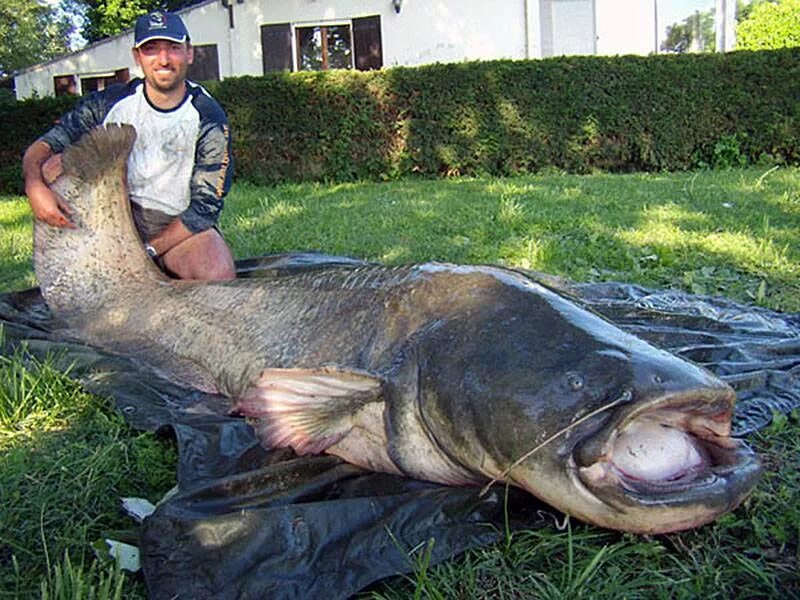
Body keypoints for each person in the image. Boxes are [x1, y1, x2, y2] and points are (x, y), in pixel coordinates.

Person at [22, 11, 236, 281]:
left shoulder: (208, 116)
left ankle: (157, 267)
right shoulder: (110, 103)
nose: (164, 60)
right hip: (106, 213)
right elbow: (44, 145)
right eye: (151, 50)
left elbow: (205, 207)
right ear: (137, 57)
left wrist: (147, 251)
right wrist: (34, 186)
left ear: (189, 53)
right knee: (52, 166)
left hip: (172, 221)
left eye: (173, 48)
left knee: (217, 273)